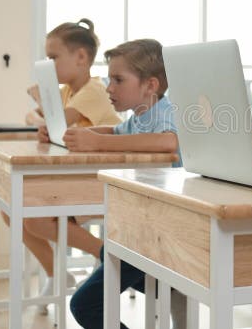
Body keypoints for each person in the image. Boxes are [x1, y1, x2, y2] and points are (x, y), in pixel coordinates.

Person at [68, 39, 186, 329]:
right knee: (93, 297)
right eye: (110, 79)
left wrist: (99, 141)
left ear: (150, 86)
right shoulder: (138, 118)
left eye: (118, 80)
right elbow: (114, 130)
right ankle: (173, 291)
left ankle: (175, 289)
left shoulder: (166, 113)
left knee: (84, 304)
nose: (109, 87)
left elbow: (169, 141)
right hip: (135, 229)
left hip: (154, 232)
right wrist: (71, 134)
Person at [9, 18, 123, 314]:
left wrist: (42, 107)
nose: (48, 65)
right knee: (10, 208)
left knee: (33, 216)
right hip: (77, 176)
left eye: (53, 57)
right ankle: (57, 273)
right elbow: (32, 119)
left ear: (81, 57)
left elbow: (53, 121)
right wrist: (43, 115)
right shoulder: (66, 93)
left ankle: (105, 253)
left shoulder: (94, 91)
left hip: (106, 180)